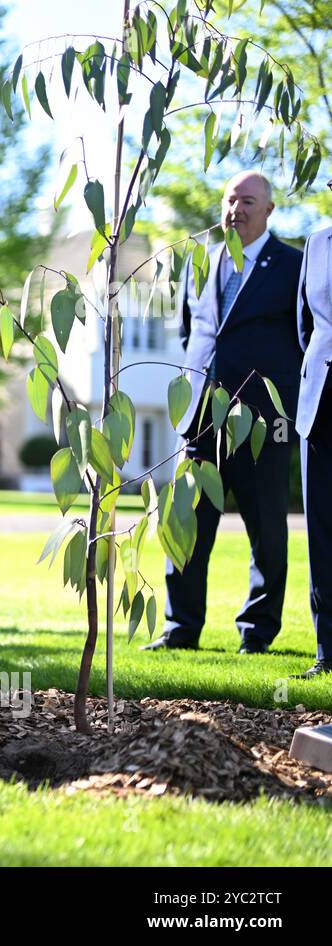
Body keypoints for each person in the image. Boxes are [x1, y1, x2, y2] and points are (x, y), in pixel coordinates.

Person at [143, 171, 303, 654]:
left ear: (269, 210)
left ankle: (256, 633)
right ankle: (180, 628)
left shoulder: (294, 265)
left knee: (267, 533)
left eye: (248, 201)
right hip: (201, 419)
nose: (236, 209)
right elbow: (197, 336)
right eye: (230, 200)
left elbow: (304, 338)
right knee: (185, 526)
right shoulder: (203, 264)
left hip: (262, 424)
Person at [293, 211, 332, 678]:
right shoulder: (317, 239)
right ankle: (327, 651)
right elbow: (305, 325)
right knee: (321, 533)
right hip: (319, 402)